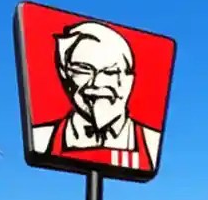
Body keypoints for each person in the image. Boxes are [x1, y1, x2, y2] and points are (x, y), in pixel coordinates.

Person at [30, 21, 161, 170]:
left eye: (110, 72)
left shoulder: (152, 143)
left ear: (128, 81)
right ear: (65, 74)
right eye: (83, 70)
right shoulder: (41, 139)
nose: (97, 83)